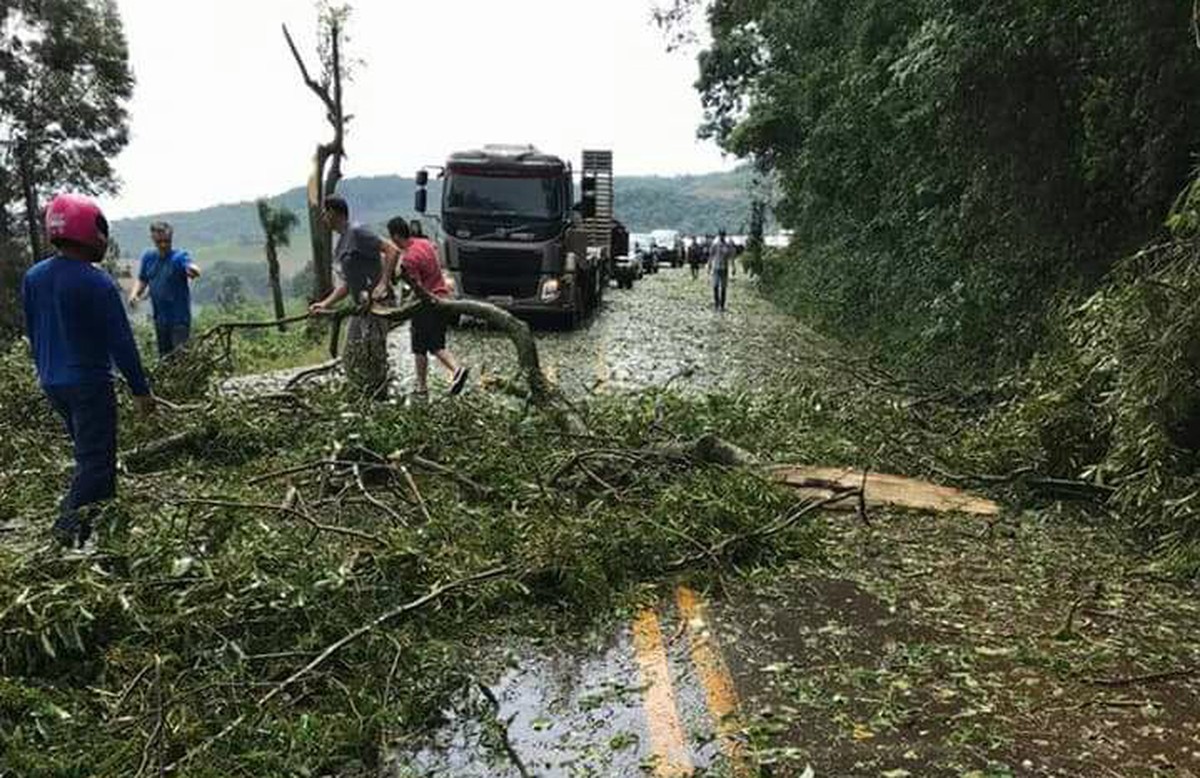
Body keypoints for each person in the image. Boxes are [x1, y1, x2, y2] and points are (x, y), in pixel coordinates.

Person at [23, 194, 155, 548]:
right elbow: (121, 342)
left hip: (53, 382)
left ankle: (105, 529)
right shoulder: (96, 283)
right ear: (89, 230)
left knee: (96, 458)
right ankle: (63, 537)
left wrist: (45, 371)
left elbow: (33, 330)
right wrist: (140, 390)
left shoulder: (34, 277)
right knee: (95, 463)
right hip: (89, 383)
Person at [309, 196, 400, 396]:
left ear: (333, 212)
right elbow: (347, 284)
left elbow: (392, 250)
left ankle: (380, 397)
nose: (323, 217)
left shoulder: (358, 232)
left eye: (324, 213)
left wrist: (383, 283)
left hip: (378, 305)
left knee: (373, 354)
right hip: (360, 308)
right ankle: (361, 395)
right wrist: (325, 303)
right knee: (351, 354)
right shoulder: (341, 244)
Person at [387, 217, 469, 397]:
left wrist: (406, 306)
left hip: (426, 303)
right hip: (442, 298)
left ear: (395, 236)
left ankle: (451, 372)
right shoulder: (425, 243)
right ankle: (430, 383)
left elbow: (417, 288)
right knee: (433, 343)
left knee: (423, 346)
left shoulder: (409, 259)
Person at [130, 221, 201, 358]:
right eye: (159, 241)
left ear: (171, 239)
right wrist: (134, 294)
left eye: (167, 241)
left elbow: (191, 267)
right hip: (160, 320)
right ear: (153, 239)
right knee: (165, 360)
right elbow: (143, 279)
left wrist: (193, 270)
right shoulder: (148, 258)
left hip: (179, 320)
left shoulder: (179, 257)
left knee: (181, 359)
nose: (163, 245)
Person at [709, 229, 736, 312]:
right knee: (715, 286)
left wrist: (733, 267)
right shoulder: (715, 244)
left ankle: (722, 305)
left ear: (724, 236)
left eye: (723, 235)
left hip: (724, 268)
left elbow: (731, 257)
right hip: (716, 268)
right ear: (719, 235)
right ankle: (716, 304)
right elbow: (711, 255)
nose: (722, 237)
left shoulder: (727, 245)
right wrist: (709, 265)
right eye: (721, 235)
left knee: (724, 287)